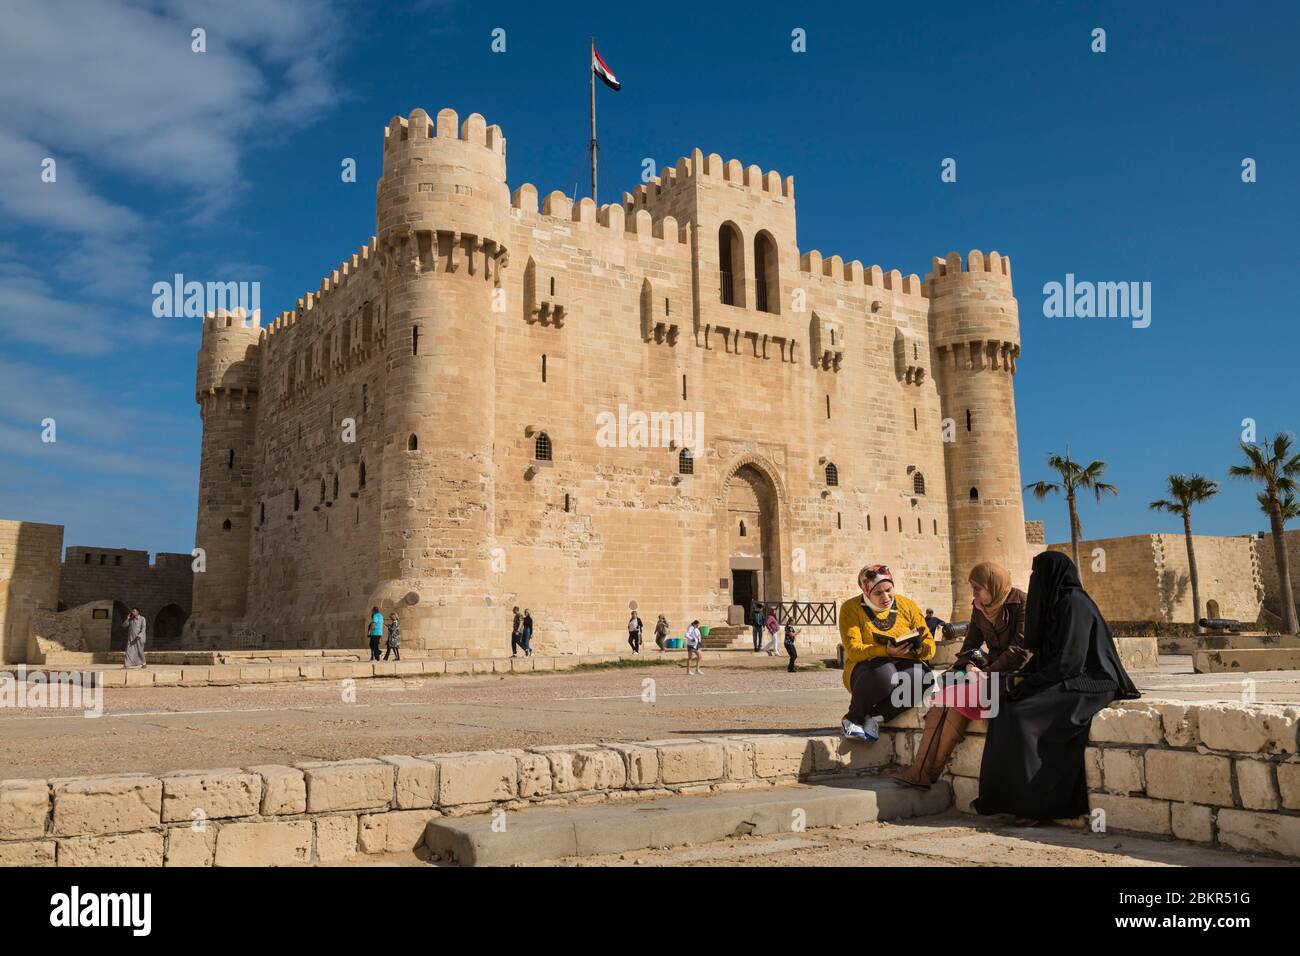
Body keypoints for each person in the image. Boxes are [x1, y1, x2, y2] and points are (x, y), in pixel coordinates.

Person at [974, 551, 1140, 825]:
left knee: (1023, 715)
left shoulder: (1075, 605)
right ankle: (1005, 799)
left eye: (1037, 574)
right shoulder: (1057, 604)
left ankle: (1038, 805)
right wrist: (1023, 679)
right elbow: (1047, 656)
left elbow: (1069, 662)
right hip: (1065, 677)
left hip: (1091, 682)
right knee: (1004, 707)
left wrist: (1032, 683)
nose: (1033, 580)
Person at [893, 561, 1028, 788]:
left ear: (993, 586)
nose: (974, 593)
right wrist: (967, 666)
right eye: (972, 588)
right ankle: (921, 771)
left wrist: (986, 672)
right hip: (987, 674)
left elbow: (1020, 650)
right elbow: (970, 645)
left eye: (978, 588)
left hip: (1016, 676)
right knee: (945, 699)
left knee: (953, 698)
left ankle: (925, 773)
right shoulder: (980, 608)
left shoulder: (1023, 605)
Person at [838, 564, 935, 741]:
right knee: (885, 673)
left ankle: (873, 718)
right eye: (878, 593)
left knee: (923, 676)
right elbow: (853, 650)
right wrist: (885, 650)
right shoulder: (850, 608)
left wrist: (918, 647)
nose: (885, 597)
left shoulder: (907, 605)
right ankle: (853, 718)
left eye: (888, 590)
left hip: (904, 662)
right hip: (866, 670)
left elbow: (929, 644)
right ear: (866, 592)